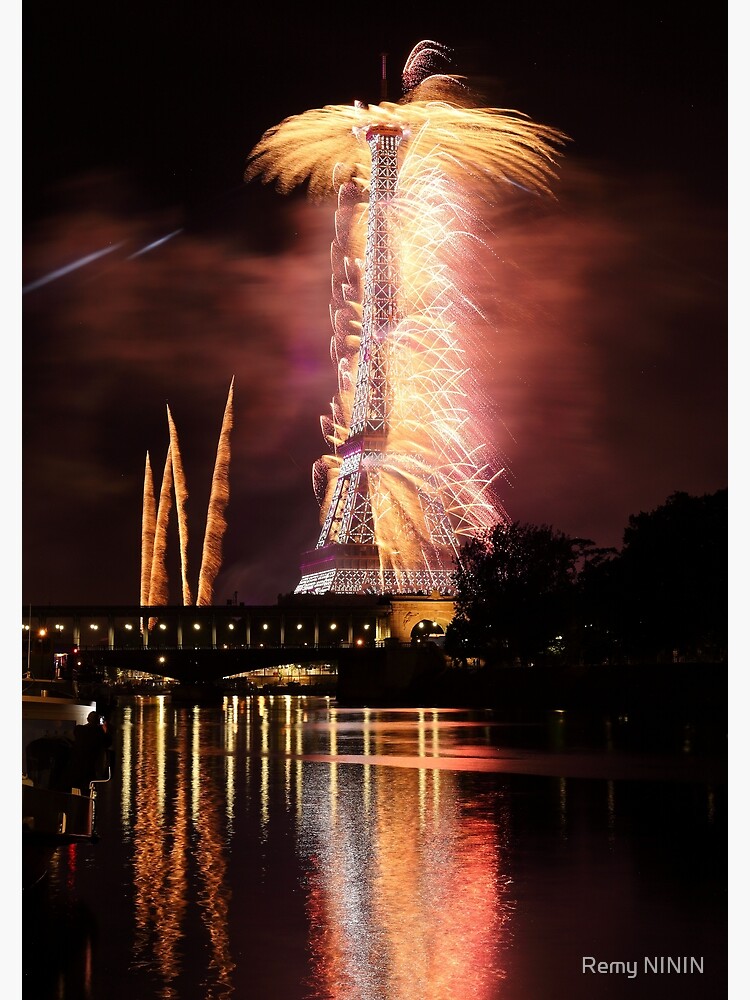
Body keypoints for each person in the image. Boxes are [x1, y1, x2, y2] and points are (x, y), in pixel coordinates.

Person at [67, 711, 112, 792]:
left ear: (87, 719)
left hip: (77, 766)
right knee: (88, 791)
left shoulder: (79, 730)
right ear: (98, 721)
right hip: (92, 767)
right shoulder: (99, 733)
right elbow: (108, 742)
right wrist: (105, 729)